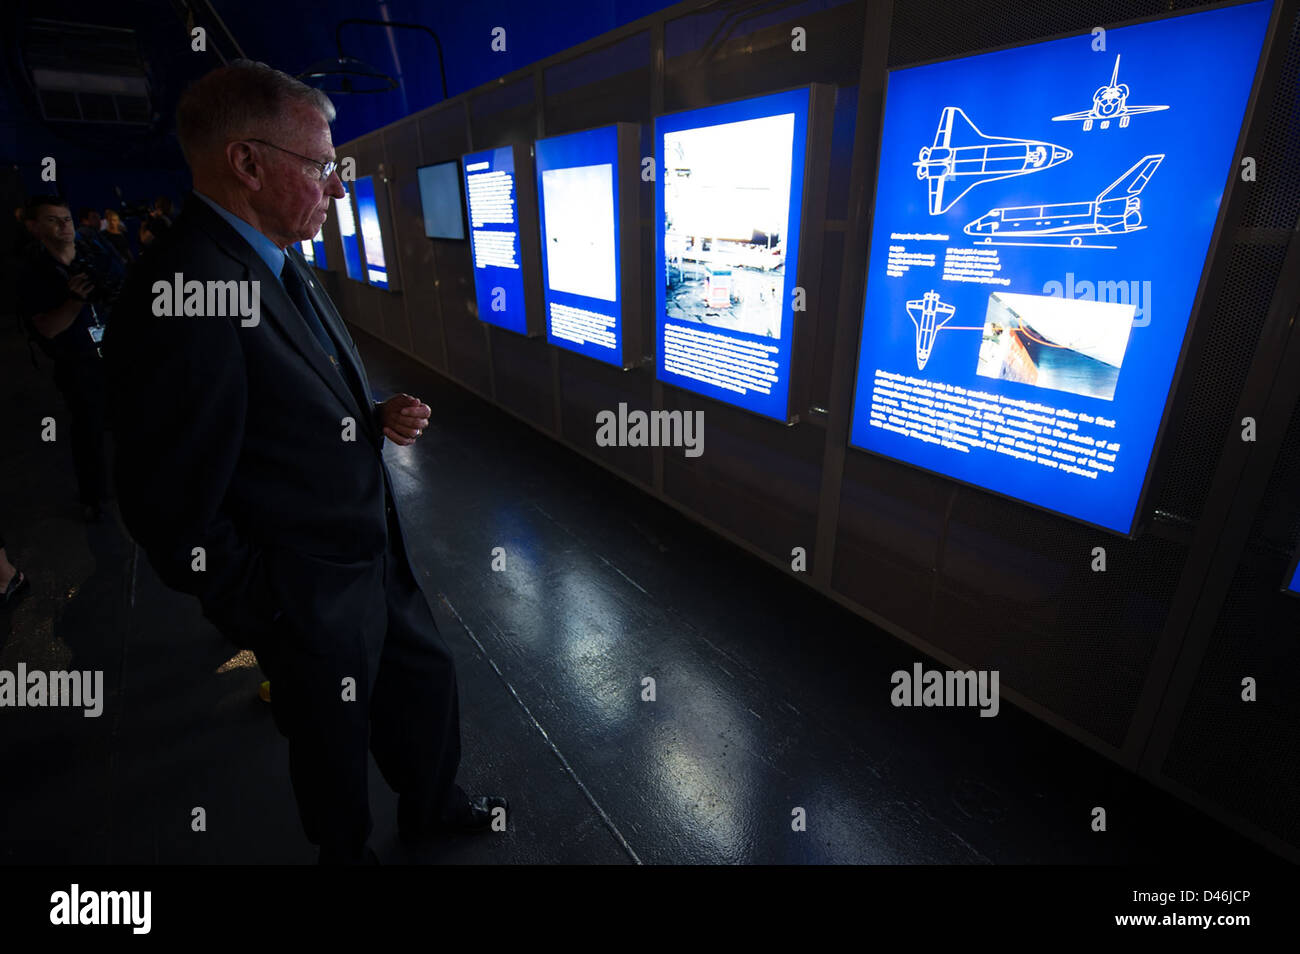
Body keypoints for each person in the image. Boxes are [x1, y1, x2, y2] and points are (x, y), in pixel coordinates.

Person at [104, 60, 506, 865]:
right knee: (330, 739)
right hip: (304, 592)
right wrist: (273, 609)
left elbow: (280, 403)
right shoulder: (186, 289)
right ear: (247, 164)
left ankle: (431, 807)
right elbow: (171, 509)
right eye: (320, 166)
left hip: (368, 556)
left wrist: (369, 418)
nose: (334, 185)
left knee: (423, 686)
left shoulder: (276, 259)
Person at [17, 195, 123, 522]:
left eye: (66, 218)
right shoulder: (33, 274)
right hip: (78, 363)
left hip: (118, 355)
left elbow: (127, 291)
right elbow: (47, 329)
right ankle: (96, 499)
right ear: (34, 227)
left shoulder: (98, 253)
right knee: (89, 431)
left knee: (135, 422)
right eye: (53, 219)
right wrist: (75, 301)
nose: (64, 225)